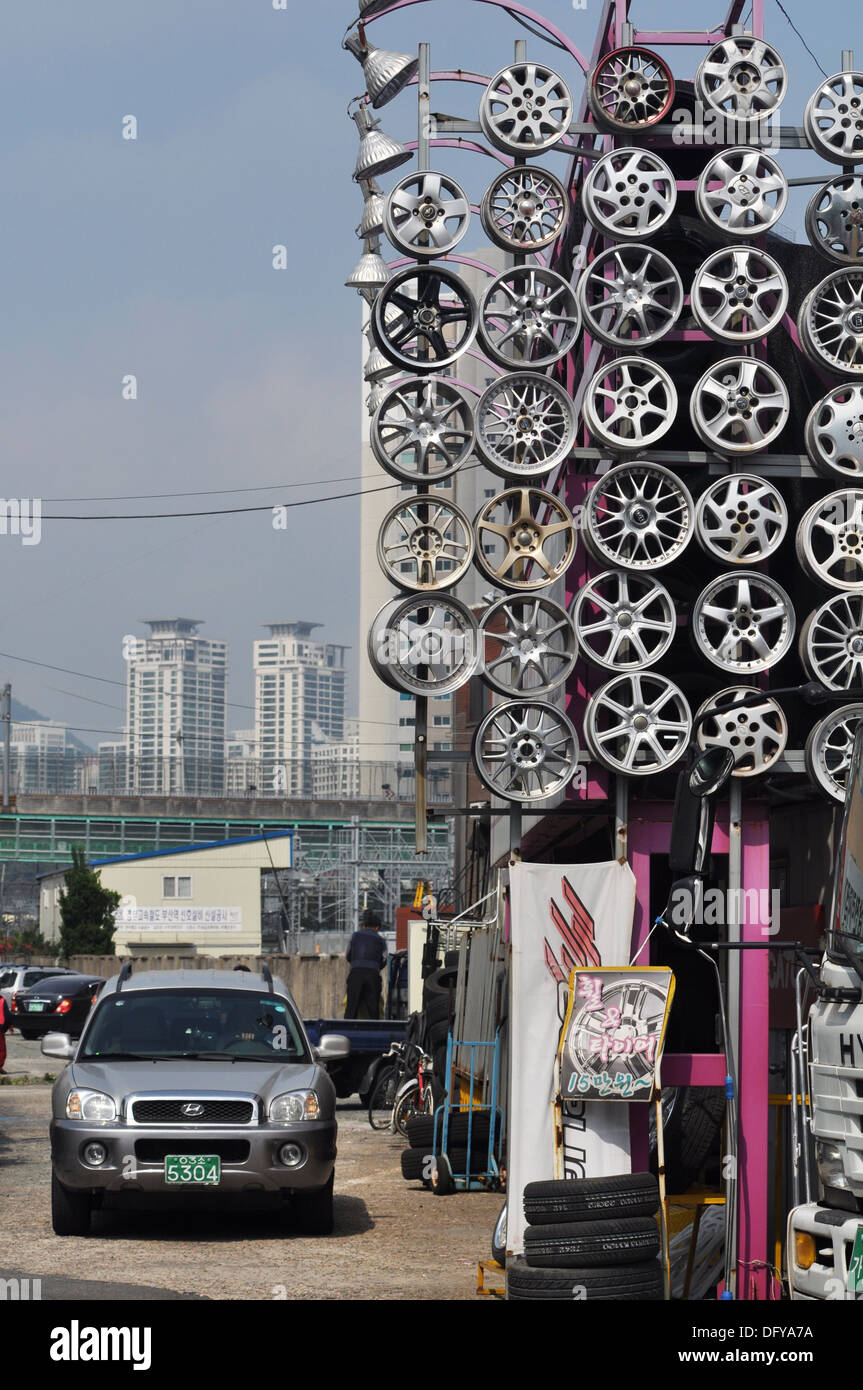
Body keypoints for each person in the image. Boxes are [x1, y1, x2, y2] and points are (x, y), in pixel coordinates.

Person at [344, 909, 388, 1019]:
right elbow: (384, 959)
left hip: (355, 974)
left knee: (351, 1006)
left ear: (364, 926)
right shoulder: (381, 940)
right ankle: (375, 1031)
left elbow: (348, 955)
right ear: (377, 927)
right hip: (372, 976)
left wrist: (356, 964)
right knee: (373, 1009)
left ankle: (347, 1029)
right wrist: (375, 968)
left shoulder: (354, 936)